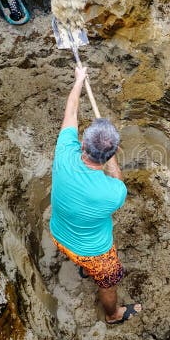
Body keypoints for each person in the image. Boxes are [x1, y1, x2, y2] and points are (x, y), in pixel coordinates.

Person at [49, 65, 142, 324]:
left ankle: (83, 269)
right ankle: (113, 315)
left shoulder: (63, 151)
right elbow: (118, 180)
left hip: (58, 234)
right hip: (93, 251)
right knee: (109, 281)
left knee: (83, 259)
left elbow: (71, 111)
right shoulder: (113, 192)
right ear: (111, 154)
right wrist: (112, 159)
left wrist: (79, 79)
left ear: (82, 142)